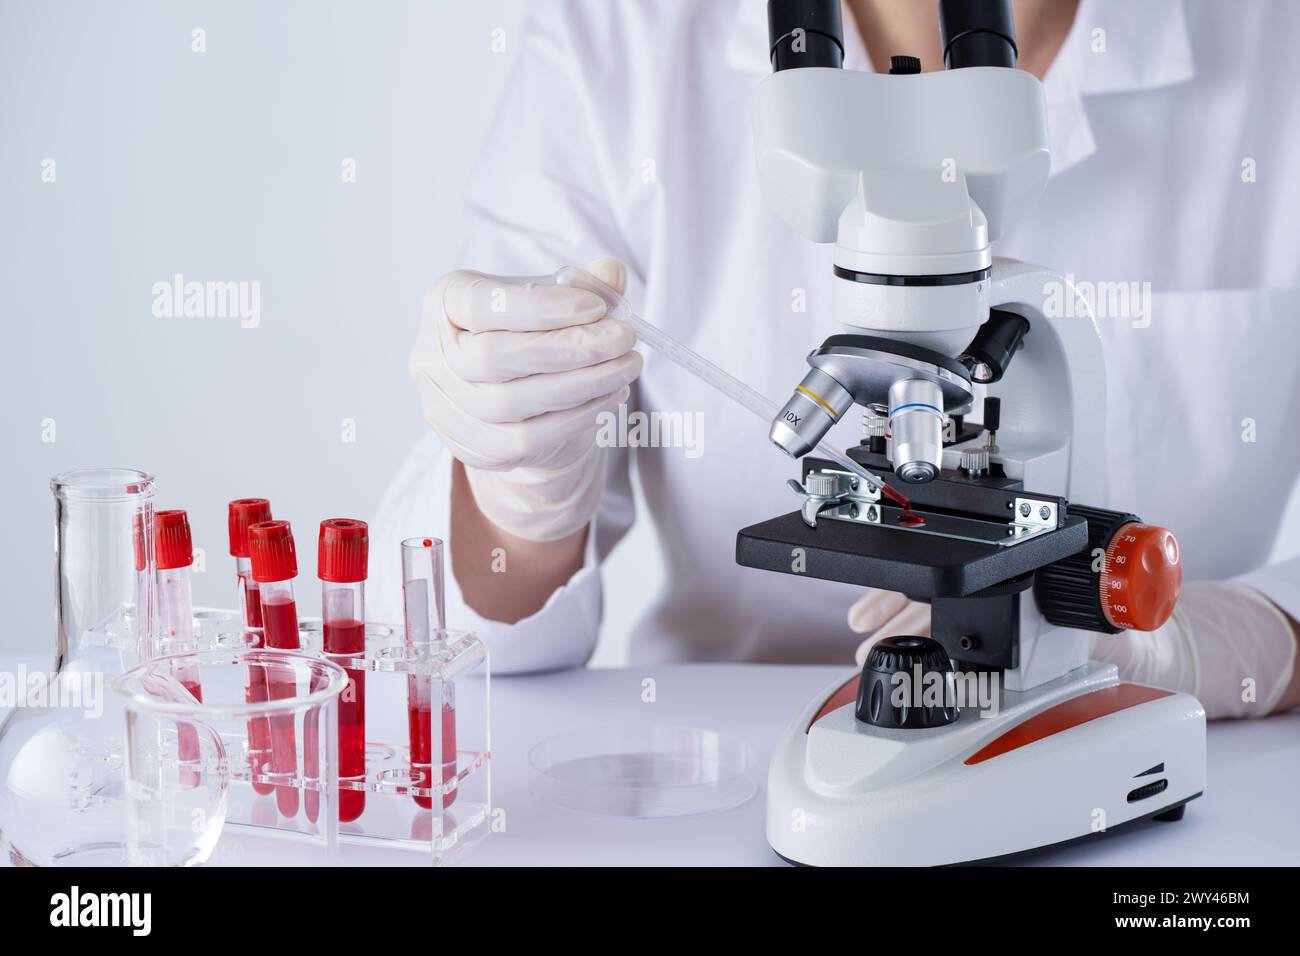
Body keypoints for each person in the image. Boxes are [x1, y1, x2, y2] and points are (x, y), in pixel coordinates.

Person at [372, 0, 1300, 719]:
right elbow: (470, 648)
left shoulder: (1275, 44)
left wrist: (1221, 646)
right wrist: (520, 492)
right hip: (724, 767)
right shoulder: (621, 43)